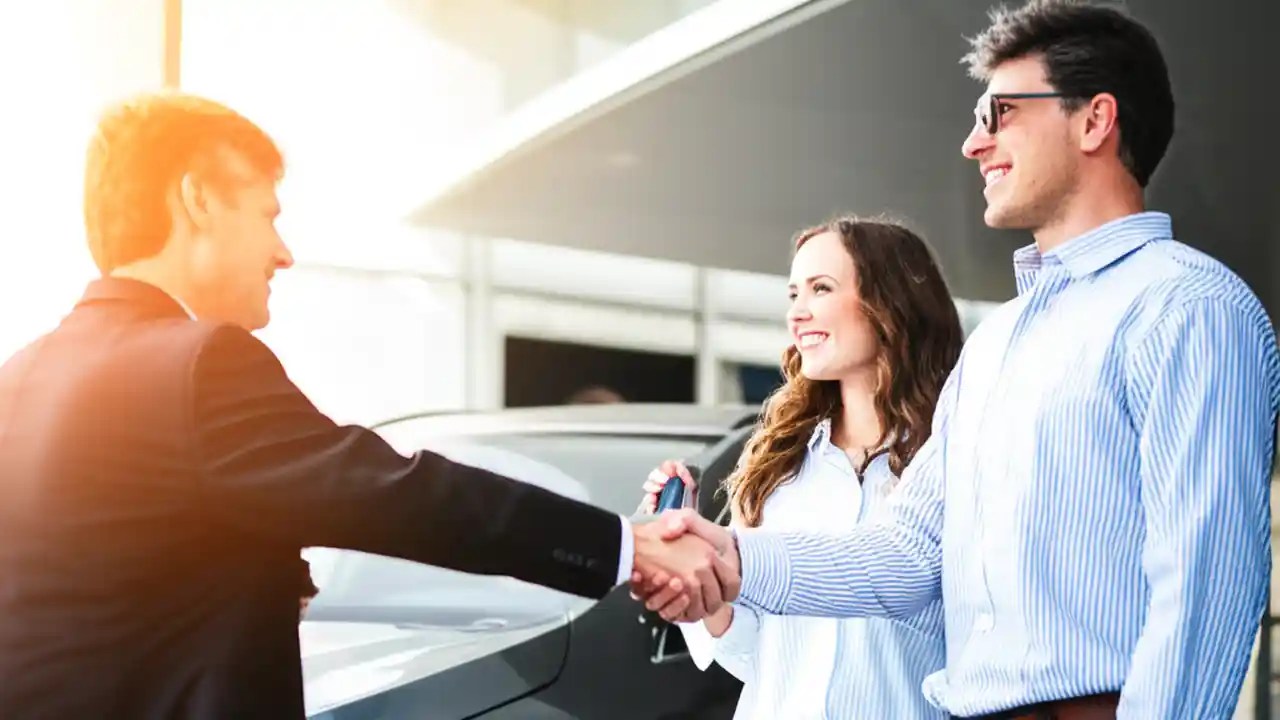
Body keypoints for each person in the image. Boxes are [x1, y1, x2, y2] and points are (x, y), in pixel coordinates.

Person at [640, 1, 1280, 718]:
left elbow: (1206, 584)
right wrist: (726, 551)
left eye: (1000, 112)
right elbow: (906, 552)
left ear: (1096, 120)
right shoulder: (997, 346)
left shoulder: (1187, 308)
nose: (974, 143)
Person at [0, 92, 729, 720]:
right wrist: (628, 546)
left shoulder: (20, 379)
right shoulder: (197, 363)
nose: (282, 252)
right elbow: (399, 493)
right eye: (266, 212)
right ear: (195, 198)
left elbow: (125, 581)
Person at [637, 216, 963, 719]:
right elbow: (752, 655)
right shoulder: (779, 461)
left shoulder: (955, 454)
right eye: (793, 295)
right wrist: (704, 580)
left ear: (890, 305)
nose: (798, 314)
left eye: (821, 289)